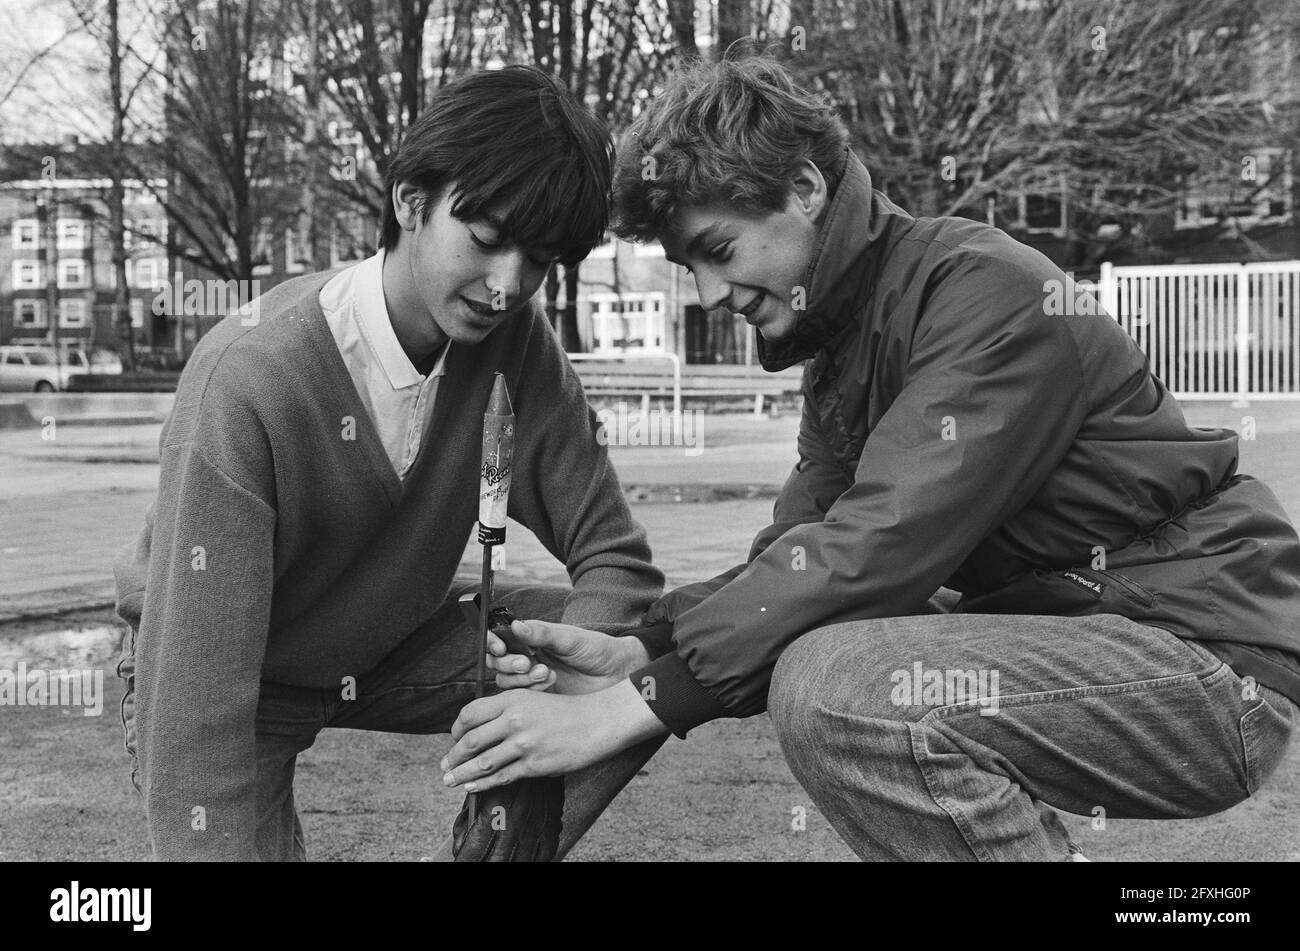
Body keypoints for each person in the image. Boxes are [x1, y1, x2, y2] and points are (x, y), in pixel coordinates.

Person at [439, 55, 1300, 861]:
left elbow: (882, 544)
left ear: (806, 189)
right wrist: (646, 646)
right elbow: (797, 556)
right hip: (1094, 636)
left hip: (1208, 659)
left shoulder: (986, 292)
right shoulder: (846, 346)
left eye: (719, 250)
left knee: (839, 687)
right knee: (829, 667)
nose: (708, 293)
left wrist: (638, 706)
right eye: (685, 264)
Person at [114, 65, 667, 861]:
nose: (509, 285)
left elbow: (618, 564)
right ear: (411, 200)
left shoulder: (514, 345)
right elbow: (196, 705)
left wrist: (552, 722)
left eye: (540, 259)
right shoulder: (250, 377)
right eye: (486, 238)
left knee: (647, 649)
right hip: (223, 661)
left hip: (383, 636)